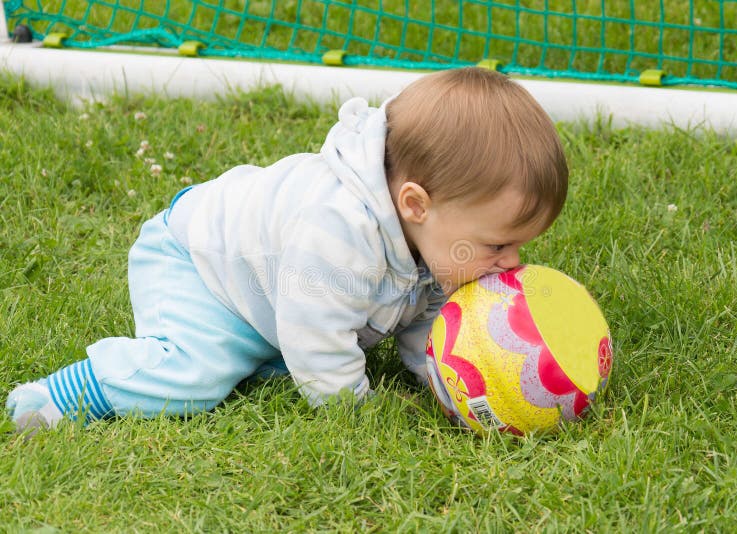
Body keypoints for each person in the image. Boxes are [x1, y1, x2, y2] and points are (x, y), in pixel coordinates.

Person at [5, 67, 568, 432]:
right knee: (203, 372)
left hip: (274, 282)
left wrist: (450, 379)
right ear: (416, 203)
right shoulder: (338, 233)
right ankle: (59, 396)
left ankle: (264, 352)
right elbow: (316, 333)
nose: (512, 263)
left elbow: (424, 317)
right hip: (202, 264)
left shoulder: (432, 235)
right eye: (499, 243)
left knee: (277, 354)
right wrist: (352, 411)